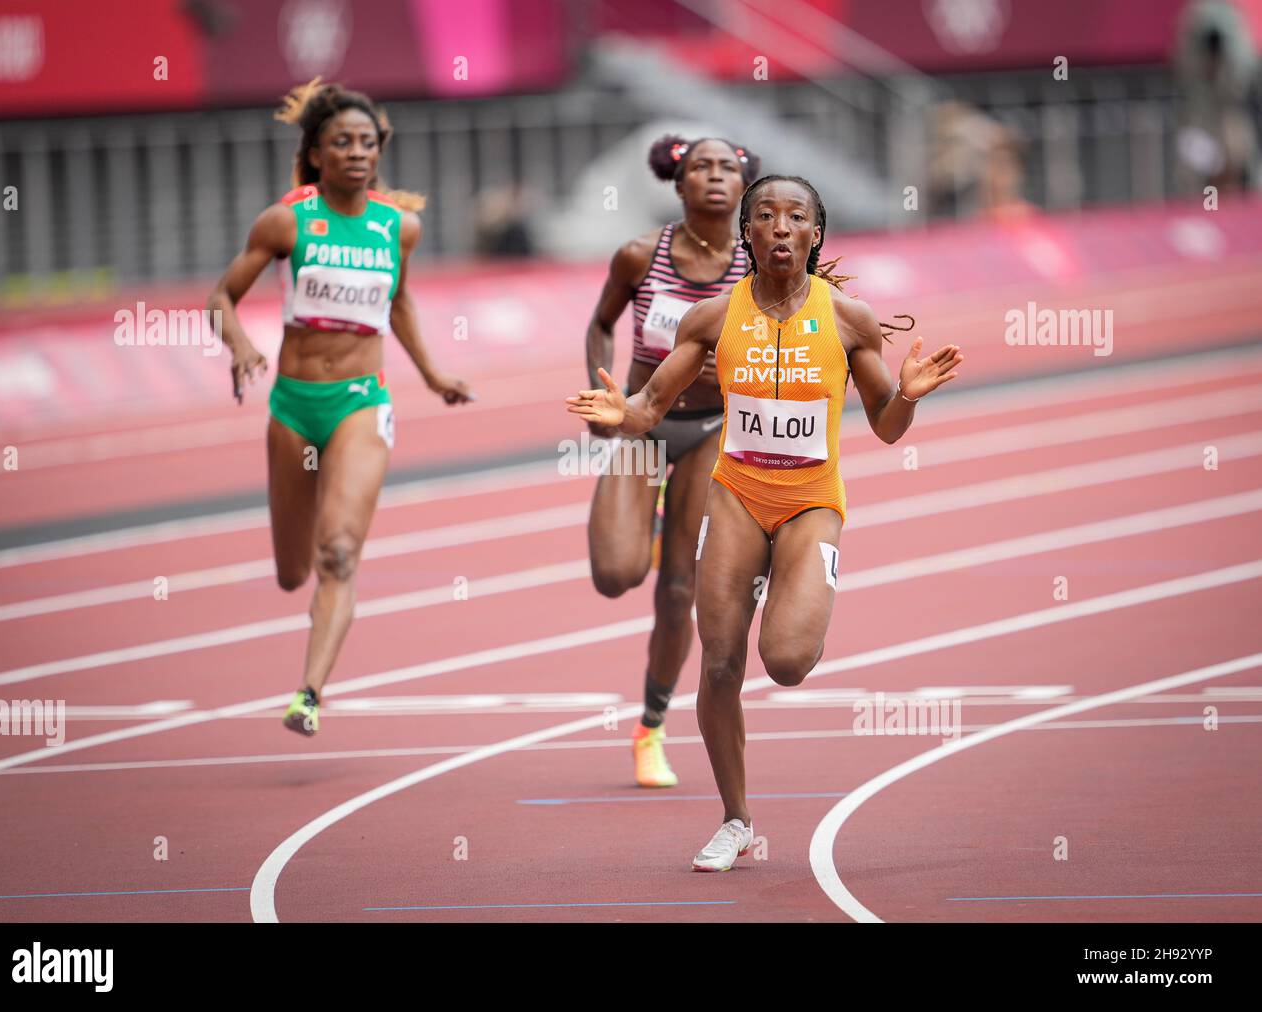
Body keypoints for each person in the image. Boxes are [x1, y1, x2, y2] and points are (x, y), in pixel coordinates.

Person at [567, 174, 962, 870]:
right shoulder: (713, 317)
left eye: (796, 217)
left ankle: (801, 585)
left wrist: (908, 394)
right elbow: (651, 408)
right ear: (746, 234)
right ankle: (736, 819)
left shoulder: (849, 318)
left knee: (785, 662)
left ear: (816, 234)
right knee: (720, 662)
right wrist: (618, 415)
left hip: (811, 502)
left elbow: (888, 428)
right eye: (767, 217)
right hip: (737, 496)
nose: (780, 227)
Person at [207, 78, 471, 736]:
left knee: (340, 553)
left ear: (379, 153)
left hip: (361, 403)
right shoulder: (286, 221)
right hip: (295, 407)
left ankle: (309, 693)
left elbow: (400, 303)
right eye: (341, 143)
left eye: (367, 143)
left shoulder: (398, 227)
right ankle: (306, 608)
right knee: (294, 572)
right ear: (317, 154)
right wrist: (239, 344)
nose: (357, 152)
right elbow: (220, 297)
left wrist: (435, 374)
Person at [583, 134, 757, 787]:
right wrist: (602, 385)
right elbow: (600, 322)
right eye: (701, 167)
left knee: (679, 588)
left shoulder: (758, 266)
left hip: (714, 429)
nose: (715, 175)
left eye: (727, 167)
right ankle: (644, 522)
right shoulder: (639, 256)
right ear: (678, 184)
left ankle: (651, 727)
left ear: (744, 186)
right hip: (641, 423)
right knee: (616, 573)